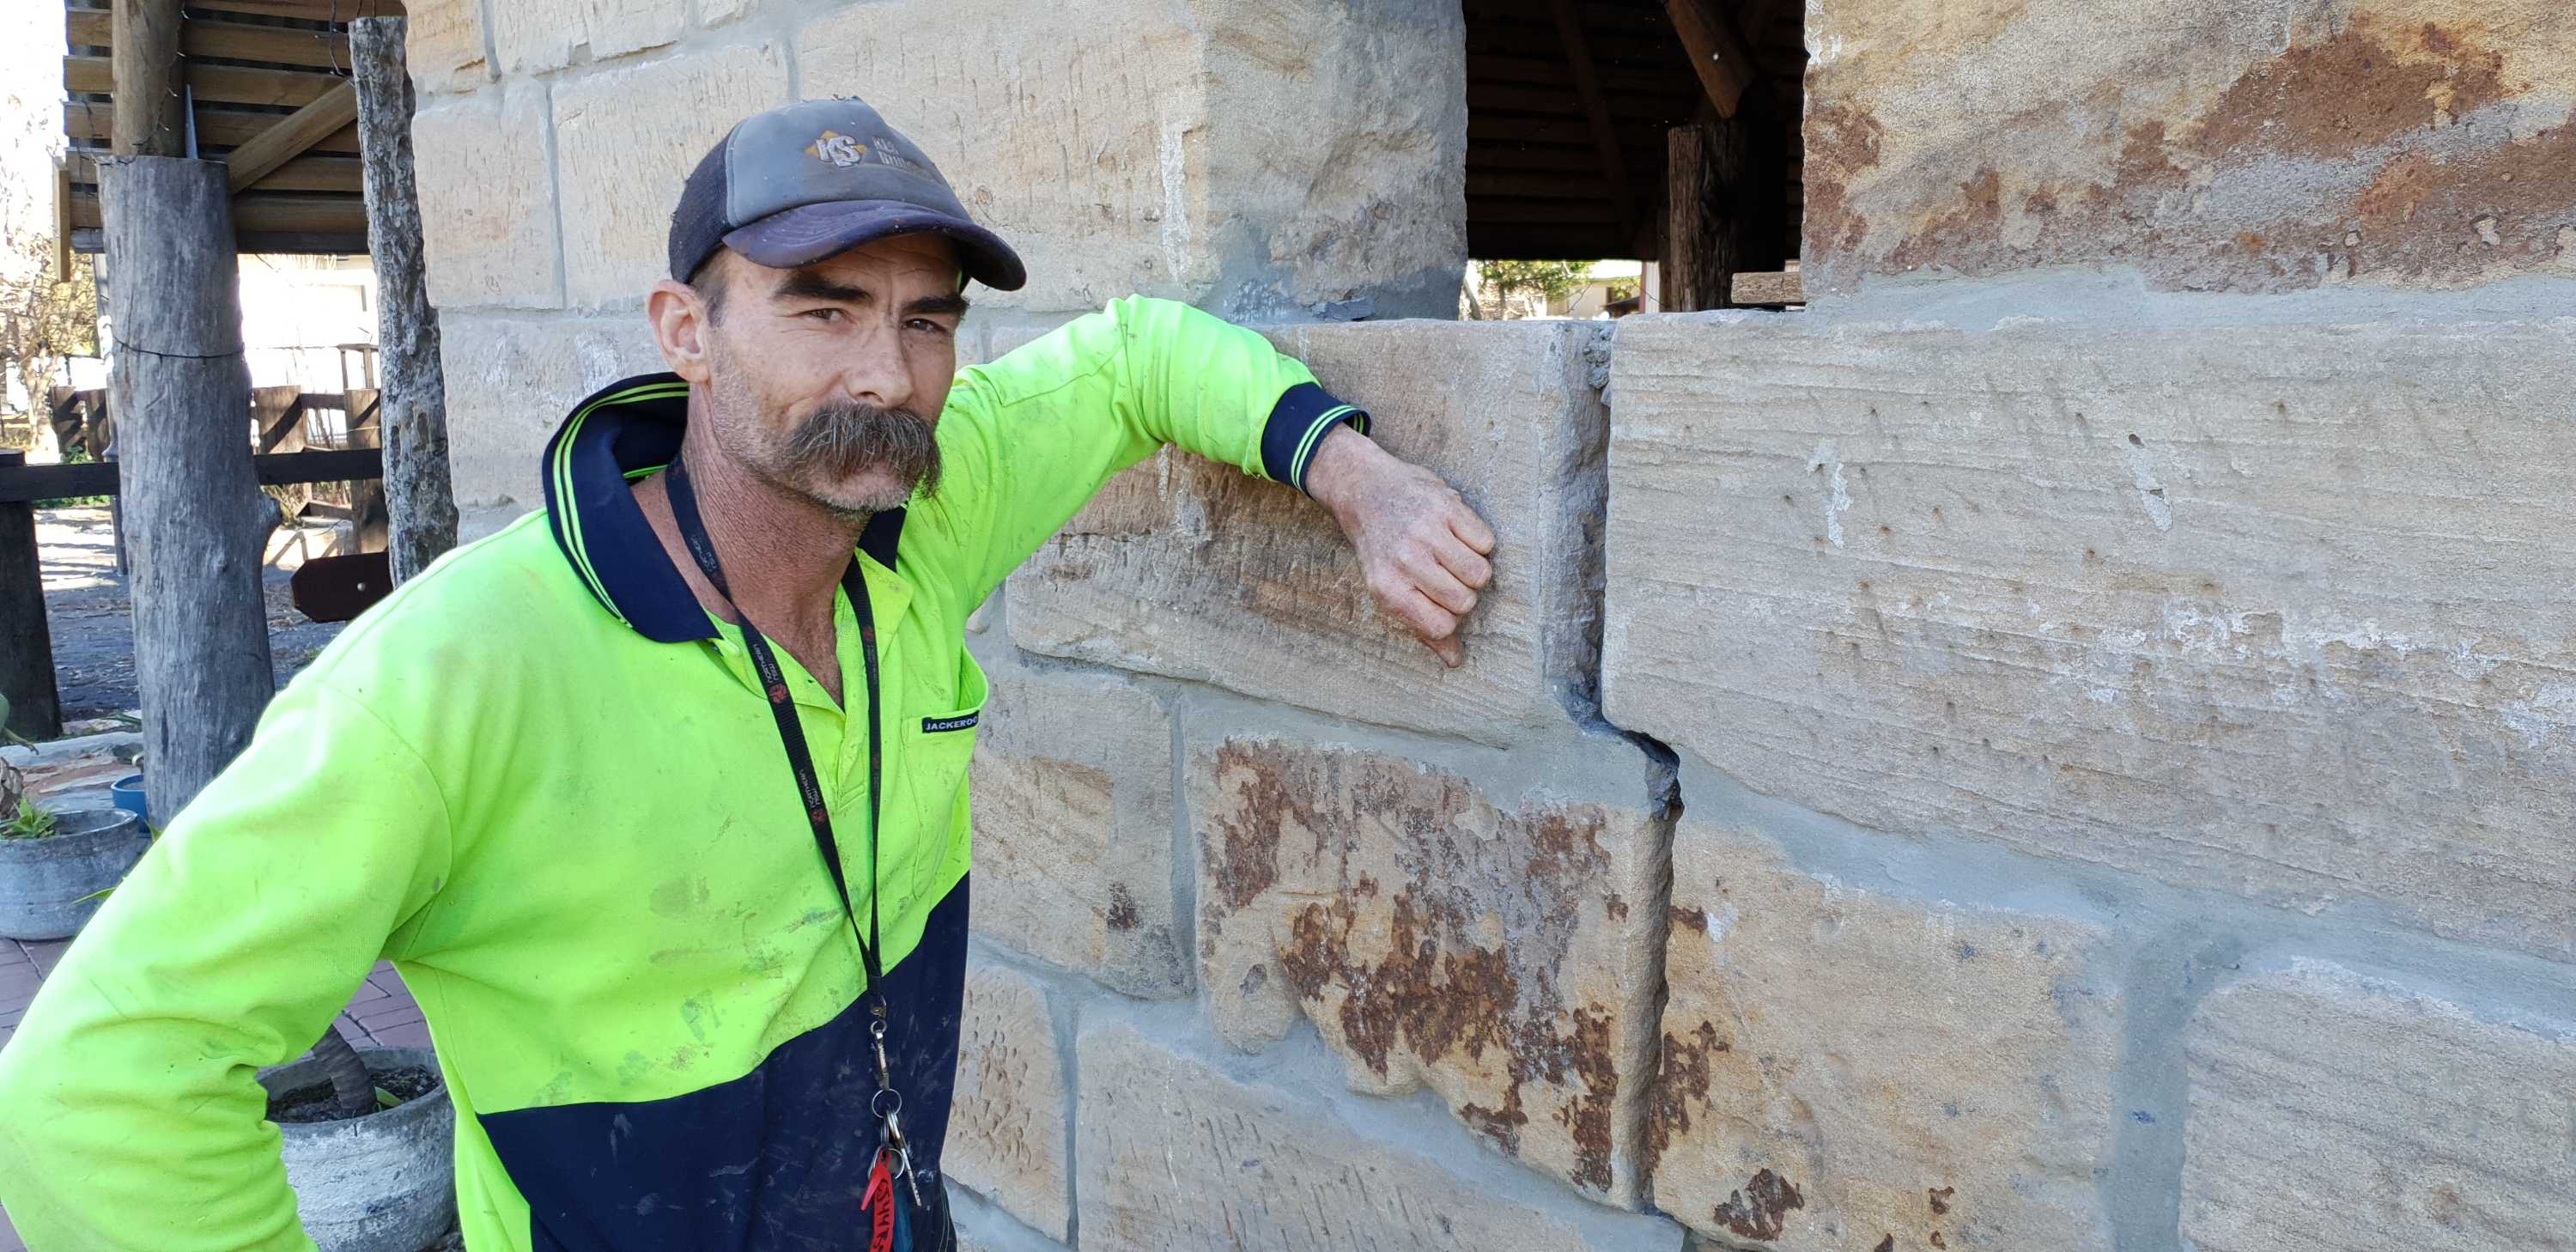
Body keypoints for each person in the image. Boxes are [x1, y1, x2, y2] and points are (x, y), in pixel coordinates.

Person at [0, 96, 1496, 1250]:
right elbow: (96, 1086)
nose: (886, 373)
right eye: (823, 308)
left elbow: (1129, 359)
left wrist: (1355, 475)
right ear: (688, 333)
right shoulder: (455, 674)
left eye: (925, 319)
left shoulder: (923, 509)